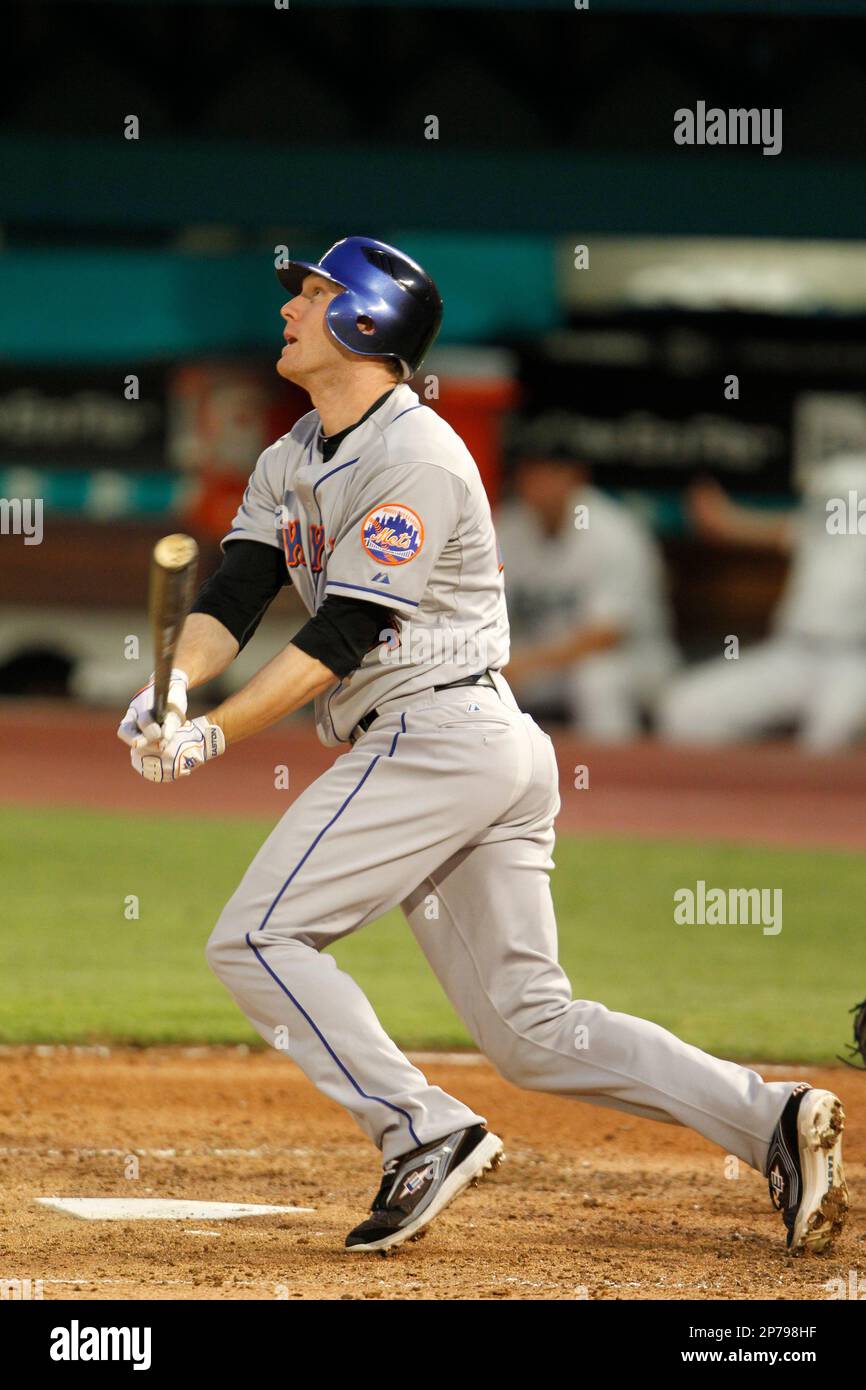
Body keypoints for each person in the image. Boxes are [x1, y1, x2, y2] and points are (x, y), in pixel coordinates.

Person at [118, 237, 847, 1255]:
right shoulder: (293, 453)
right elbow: (236, 592)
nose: (290, 307)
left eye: (315, 293)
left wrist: (210, 735)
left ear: (364, 321)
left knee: (256, 939)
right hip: (461, 743)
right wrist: (178, 688)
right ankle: (766, 1115)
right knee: (529, 1029)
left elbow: (342, 636)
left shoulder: (415, 453)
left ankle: (420, 1129)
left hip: (439, 735)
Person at [660, 457, 866, 752]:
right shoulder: (838, 475)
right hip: (795, 650)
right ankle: (750, 793)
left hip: (857, 659)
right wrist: (729, 521)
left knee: (827, 745)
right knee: (684, 712)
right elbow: (799, 530)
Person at [496, 453, 678, 738]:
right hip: (542, 662)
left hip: (631, 660)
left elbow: (605, 636)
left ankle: (613, 776)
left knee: (595, 679)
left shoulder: (613, 530)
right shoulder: (507, 528)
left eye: (552, 473)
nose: (542, 484)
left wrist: (526, 663)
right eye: (534, 473)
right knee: (480, 678)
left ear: (575, 477)